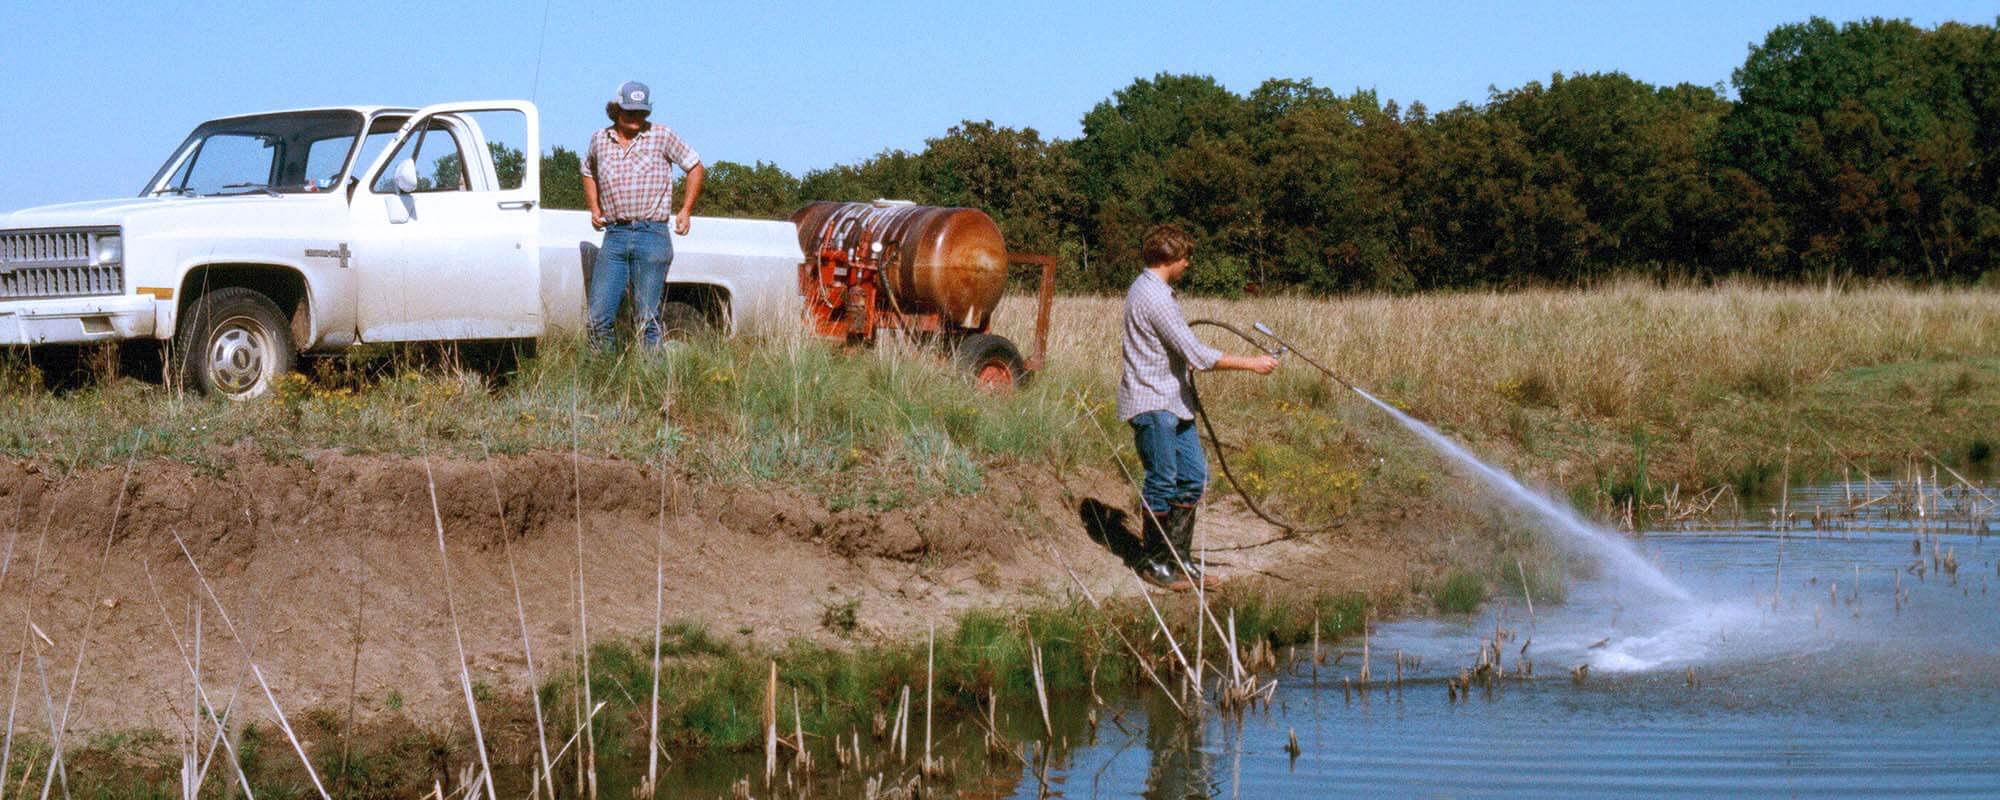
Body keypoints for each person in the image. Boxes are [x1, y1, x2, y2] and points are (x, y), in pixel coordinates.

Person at [1118, 225, 1279, 590]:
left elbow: (1175, 346)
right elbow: (1197, 353)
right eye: (1185, 258)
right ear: (1170, 260)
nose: (1188, 264)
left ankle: (1179, 558)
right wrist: (1252, 363)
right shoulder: (1153, 296)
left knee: (1192, 478)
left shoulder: (1157, 290)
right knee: (1161, 481)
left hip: (1174, 400)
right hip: (1152, 401)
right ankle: (1155, 563)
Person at [580, 80, 707, 349]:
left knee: (646, 320)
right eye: (630, 111)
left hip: (652, 235)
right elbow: (588, 171)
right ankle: (605, 379)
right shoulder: (599, 140)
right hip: (614, 237)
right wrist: (594, 208)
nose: (637, 118)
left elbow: (695, 166)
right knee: (598, 318)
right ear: (616, 110)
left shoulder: (662, 136)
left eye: (642, 112)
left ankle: (651, 384)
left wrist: (686, 210)